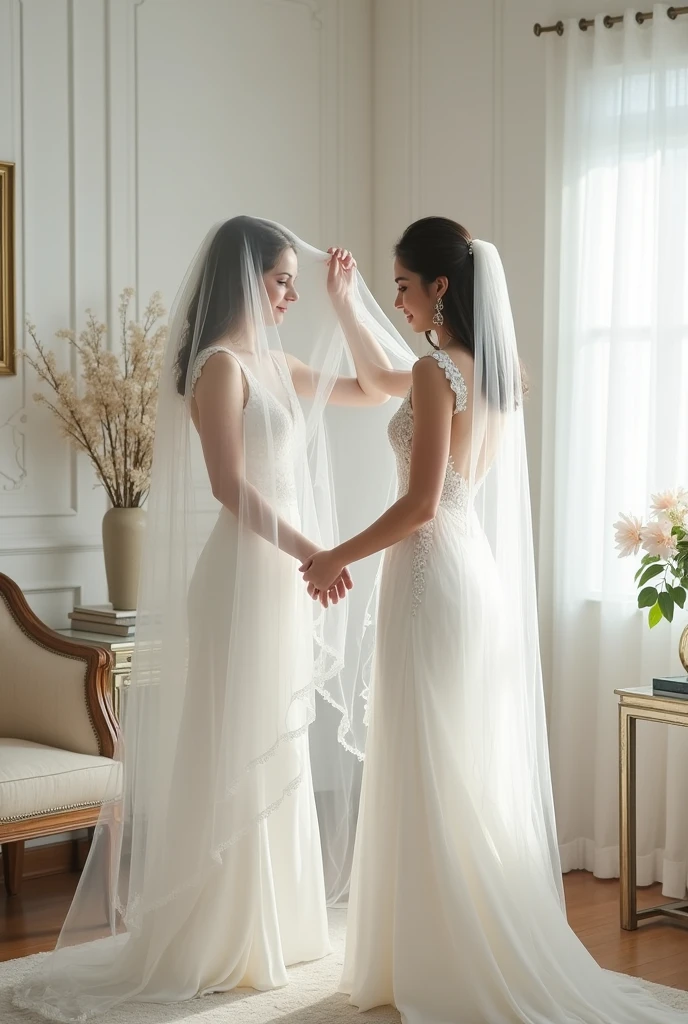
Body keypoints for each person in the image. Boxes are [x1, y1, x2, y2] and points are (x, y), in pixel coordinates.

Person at [13, 216, 414, 1021]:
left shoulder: (280, 364)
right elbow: (231, 486)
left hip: (283, 576)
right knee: (235, 741)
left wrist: (345, 303)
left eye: (294, 281)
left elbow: (379, 391)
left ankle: (281, 926)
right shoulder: (218, 368)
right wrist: (316, 552)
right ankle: (225, 932)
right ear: (242, 278)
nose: (290, 294)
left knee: (275, 737)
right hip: (243, 574)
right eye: (280, 280)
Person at [301, 216, 688, 1024]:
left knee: (430, 759)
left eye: (402, 286)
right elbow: (385, 386)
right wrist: (344, 302)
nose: (397, 302)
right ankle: (441, 945)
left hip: (430, 573)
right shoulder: (490, 373)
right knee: (447, 762)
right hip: (465, 571)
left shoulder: (435, 370)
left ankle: (440, 956)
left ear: (441, 285)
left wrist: (335, 555)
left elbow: (419, 503)